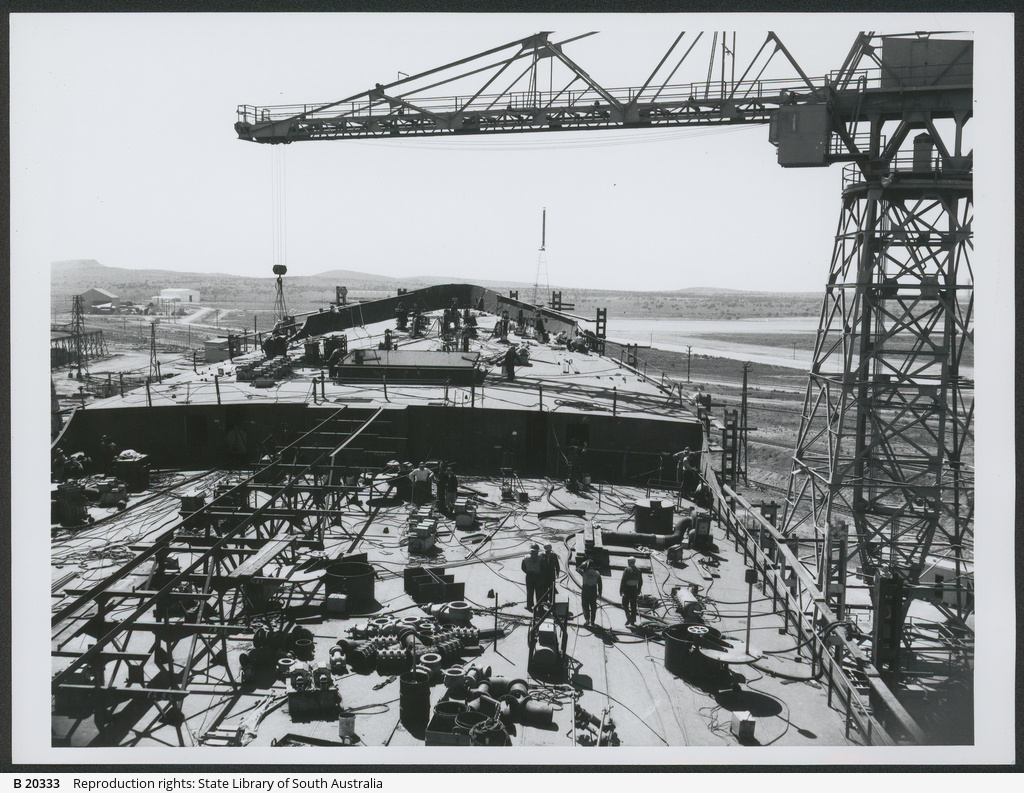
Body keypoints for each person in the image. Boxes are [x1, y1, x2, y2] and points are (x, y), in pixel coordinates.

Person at [620, 557, 643, 625]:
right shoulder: (639, 570)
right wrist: (638, 590)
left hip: (627, 589)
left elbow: (623, 581)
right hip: (634, 589)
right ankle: (633, 620)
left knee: (624, 604)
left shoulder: (626, 570)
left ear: (630, 562)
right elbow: (640, 582)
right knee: (633, 605)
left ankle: (628, 617)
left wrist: (621, 590)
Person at [579, 560, 602, 627]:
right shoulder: (597, 573)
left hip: (585, 590)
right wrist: (600, 592)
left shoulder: (584, 572)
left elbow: (577, 568)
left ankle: (587, 620)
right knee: (593, 607)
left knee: (585, 605)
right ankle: (592, 622)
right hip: (593, 590)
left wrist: (584, 564)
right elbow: (600, 584)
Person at [521, 544, 543, 611]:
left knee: (530, 592)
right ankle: (540, 607)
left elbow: (523, 567)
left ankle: (529, 606)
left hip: (529, 576)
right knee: (539, 593)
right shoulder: (540, 558)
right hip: (538, 576)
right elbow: (543, 568)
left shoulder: (525, 558)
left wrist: (528, 572)